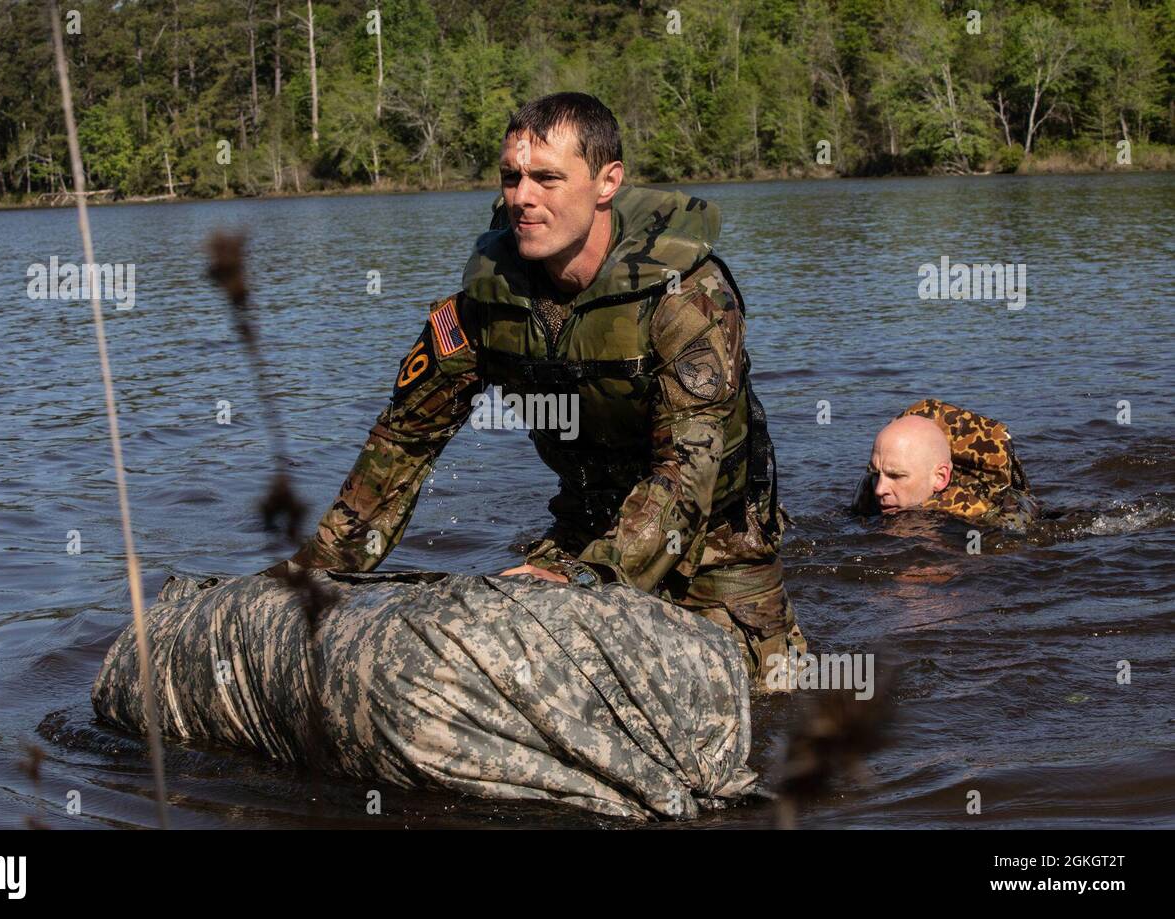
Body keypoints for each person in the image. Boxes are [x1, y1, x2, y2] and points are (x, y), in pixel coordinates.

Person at [292, 92, 806, 688]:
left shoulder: (688, 298)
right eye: (511, 177)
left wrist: (586, 581)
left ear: (607, 182)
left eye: (547, 178)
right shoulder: (484, 306)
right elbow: (402, 443)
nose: (523, 198)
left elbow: (687, 475)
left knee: (764, 695)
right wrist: (318, 572)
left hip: (715, 539)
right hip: (586, 520)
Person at [852, 399, 1039, 530]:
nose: (879, 489)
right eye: (876, 474)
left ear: (940, 477)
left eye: (896, 476)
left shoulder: (978, 523)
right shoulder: (867, 502)